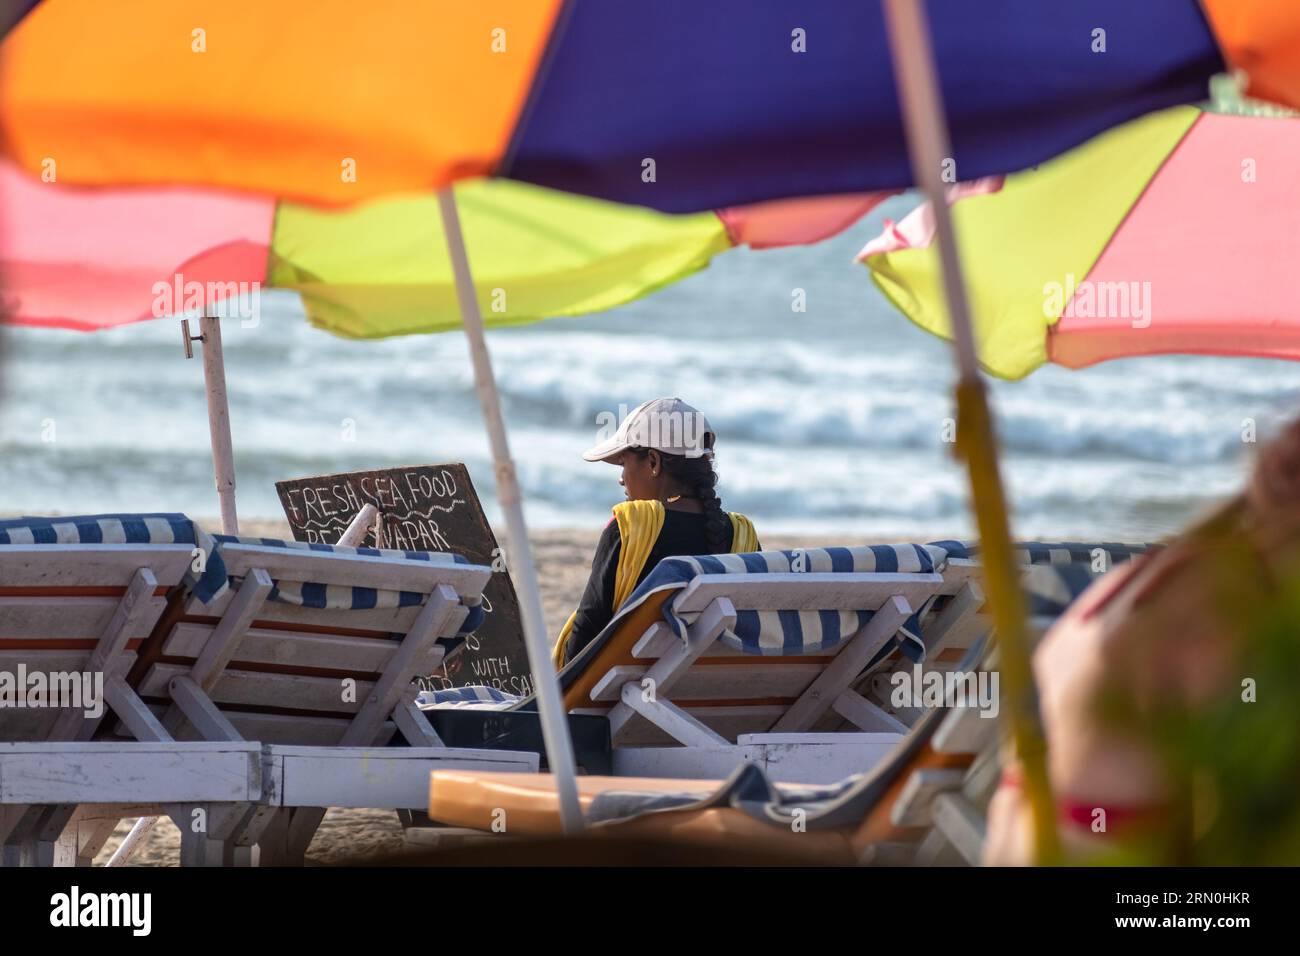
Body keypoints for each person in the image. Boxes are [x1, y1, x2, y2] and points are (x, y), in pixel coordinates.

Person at [552, 397, 759, 667]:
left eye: (624, 462)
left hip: (625, 697)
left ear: (653, 462)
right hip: (714, 695)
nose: (621, 477)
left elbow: (584, 638)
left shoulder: (629, 529)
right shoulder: (741, 536)